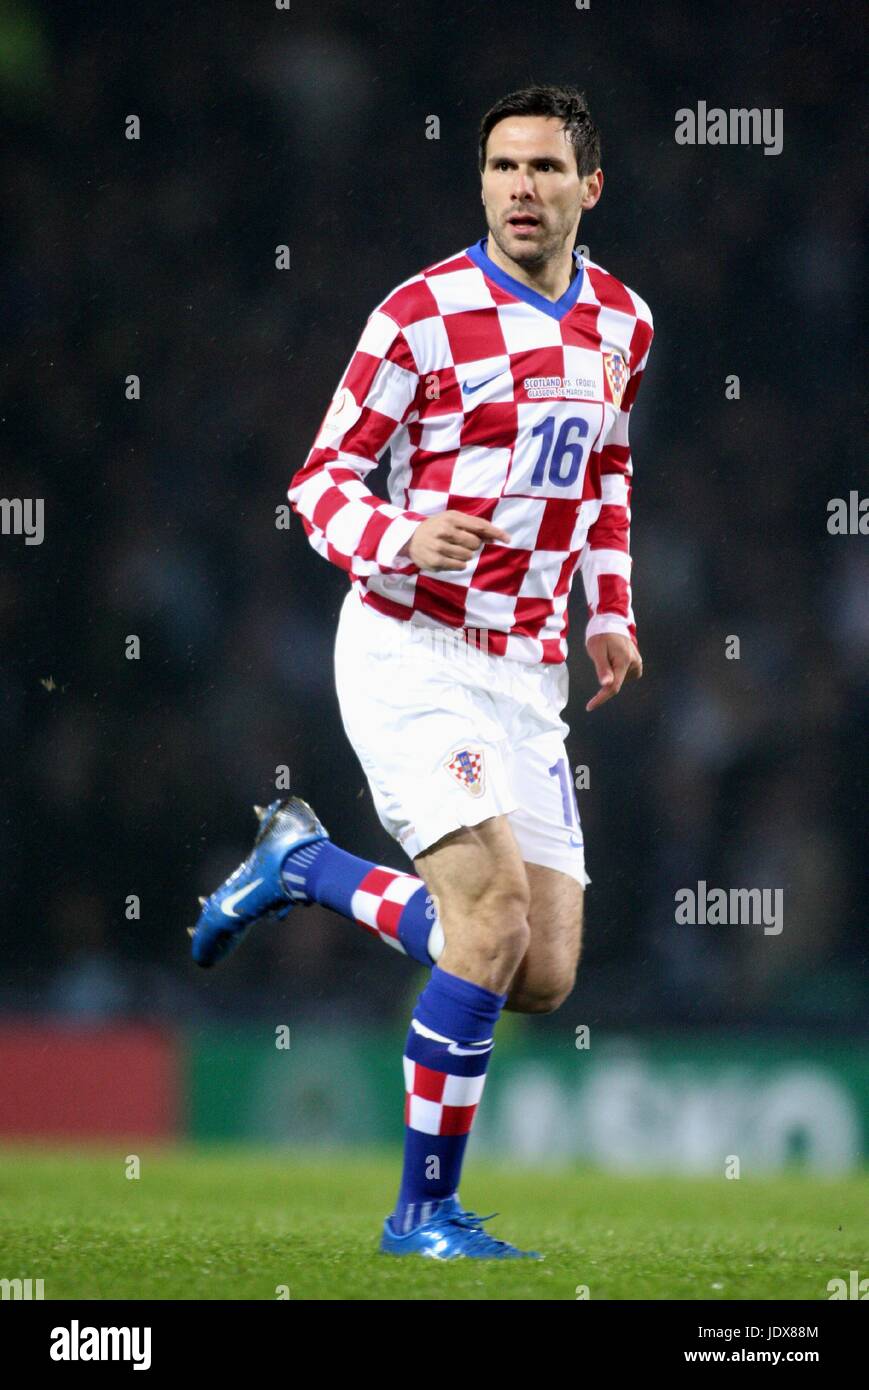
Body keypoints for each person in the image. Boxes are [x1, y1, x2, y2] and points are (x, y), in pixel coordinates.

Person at [190, 84, 653, 1260]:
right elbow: (320, 482)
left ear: (587, 187)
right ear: (481, 180)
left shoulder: (622, 323)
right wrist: (400, 537)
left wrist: (611, 610)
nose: (519, 188)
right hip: (410, 651)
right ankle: (421, 1213)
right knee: (486, 916)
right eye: (501, 166)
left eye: (545, 169)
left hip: (526, 672)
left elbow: (603, 472)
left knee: (538, 971)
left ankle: (302, 863)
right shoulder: (418, 314)